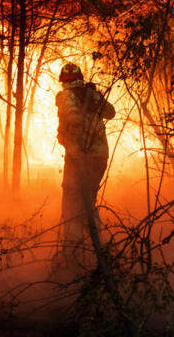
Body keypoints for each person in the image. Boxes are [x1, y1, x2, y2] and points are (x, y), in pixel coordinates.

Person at [55, 62, 115, 263]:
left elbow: (71, 116)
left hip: (77, 157)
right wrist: (93, 99)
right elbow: (110, 112)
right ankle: (101, 248)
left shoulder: (65, 96)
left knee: (72, 203)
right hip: (99, 157)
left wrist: (69, 132)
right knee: (88, 200)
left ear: (63, 82)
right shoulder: (92, 96)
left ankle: (72, 256)